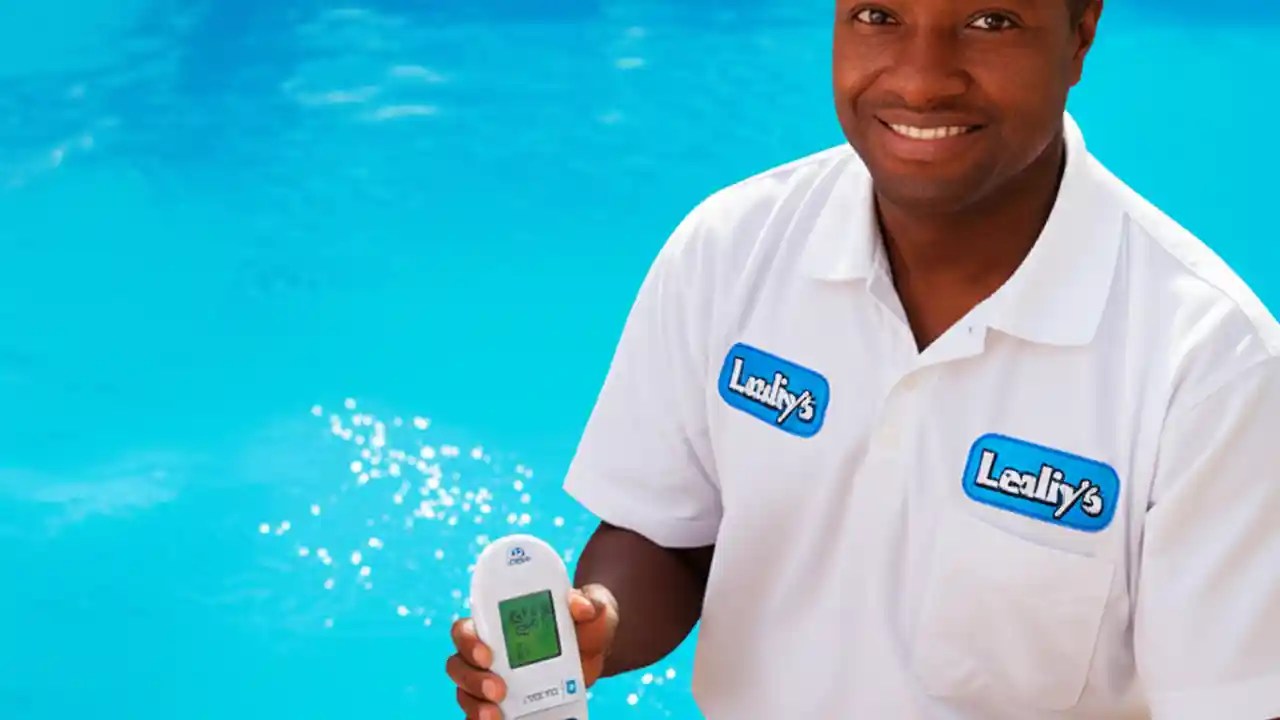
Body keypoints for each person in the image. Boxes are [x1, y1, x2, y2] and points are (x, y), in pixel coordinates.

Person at [447, 0, 1280, 717]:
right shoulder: (730, 250)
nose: (920, 80)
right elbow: (670, 536)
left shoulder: (1211, 366)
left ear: (1081, 31)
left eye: (990, 21)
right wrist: (600, 622)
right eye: (879, 15)